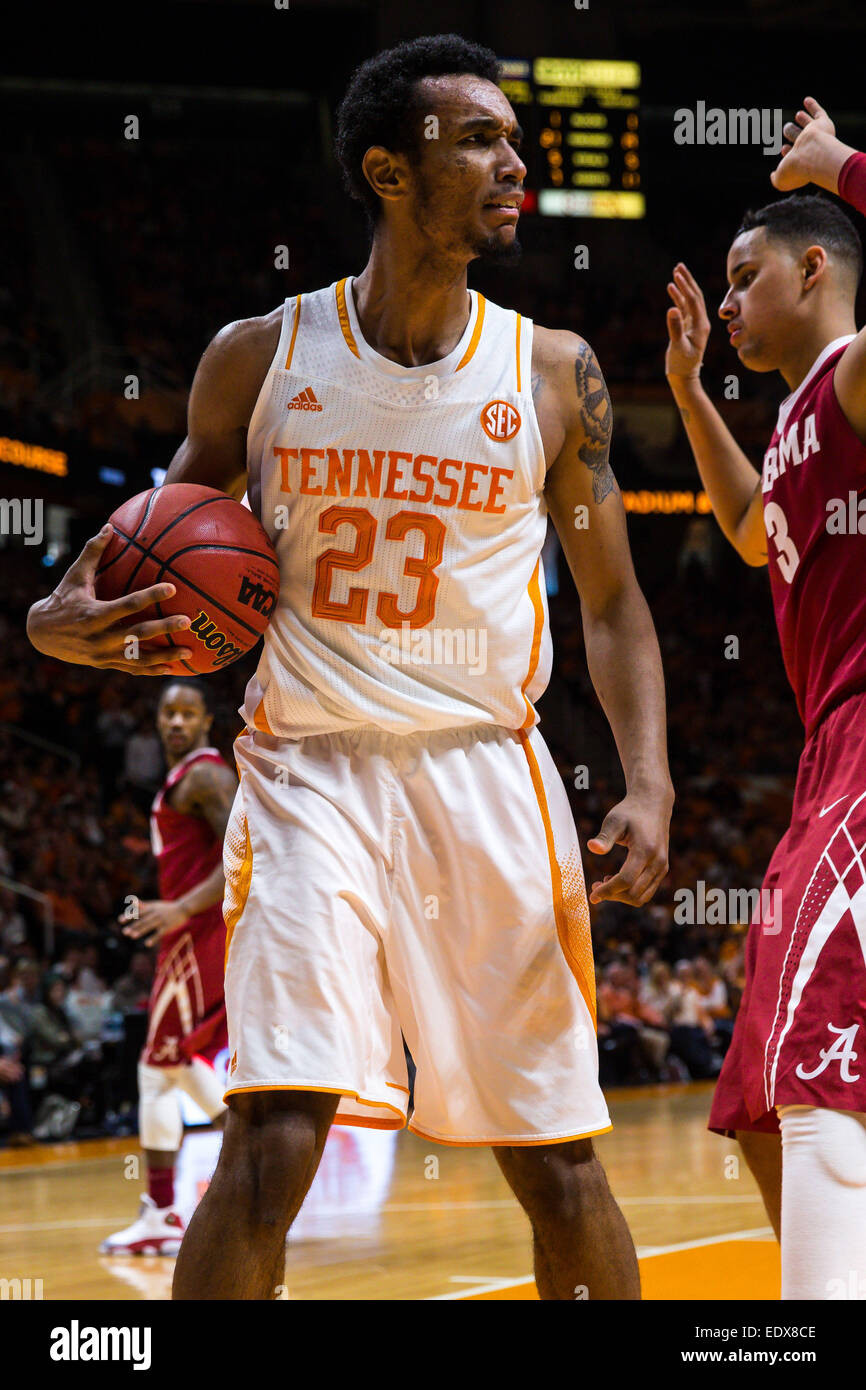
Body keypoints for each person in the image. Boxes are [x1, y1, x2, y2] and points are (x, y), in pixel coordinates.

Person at [26, 34, 674, 1300]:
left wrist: (644, 781)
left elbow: (613, 606)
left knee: (553, 1163)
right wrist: (57, 617)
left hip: (487, 778)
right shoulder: (258, 355)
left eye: (511, 136)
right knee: (270, 1142)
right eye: (477, 138)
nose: (513, 160)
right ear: (387, 168)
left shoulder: (553, 375)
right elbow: (122, 557)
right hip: (305, 774)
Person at [664, 95, 866, 1298]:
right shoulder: (798, 417)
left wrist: (841, 165)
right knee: (749, 1101)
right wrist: (690, 392)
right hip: (821, 760)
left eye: (744, 279)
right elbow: (749, 528)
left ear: (813, 265)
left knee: (814, 1059)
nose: (727, 301)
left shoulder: (851, 378)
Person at [99, 680, 237, 1256]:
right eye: (168, 714)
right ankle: (164, 1208)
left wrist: (180, 907)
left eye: (187, 713)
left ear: (206, 721)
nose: (176, 722)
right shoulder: (181, 779)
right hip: (184, 936)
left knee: (161, 1064)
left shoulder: (207, 775)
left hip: (200, 933)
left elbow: (246, 849)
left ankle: (166, 1207)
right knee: (166, 1066)